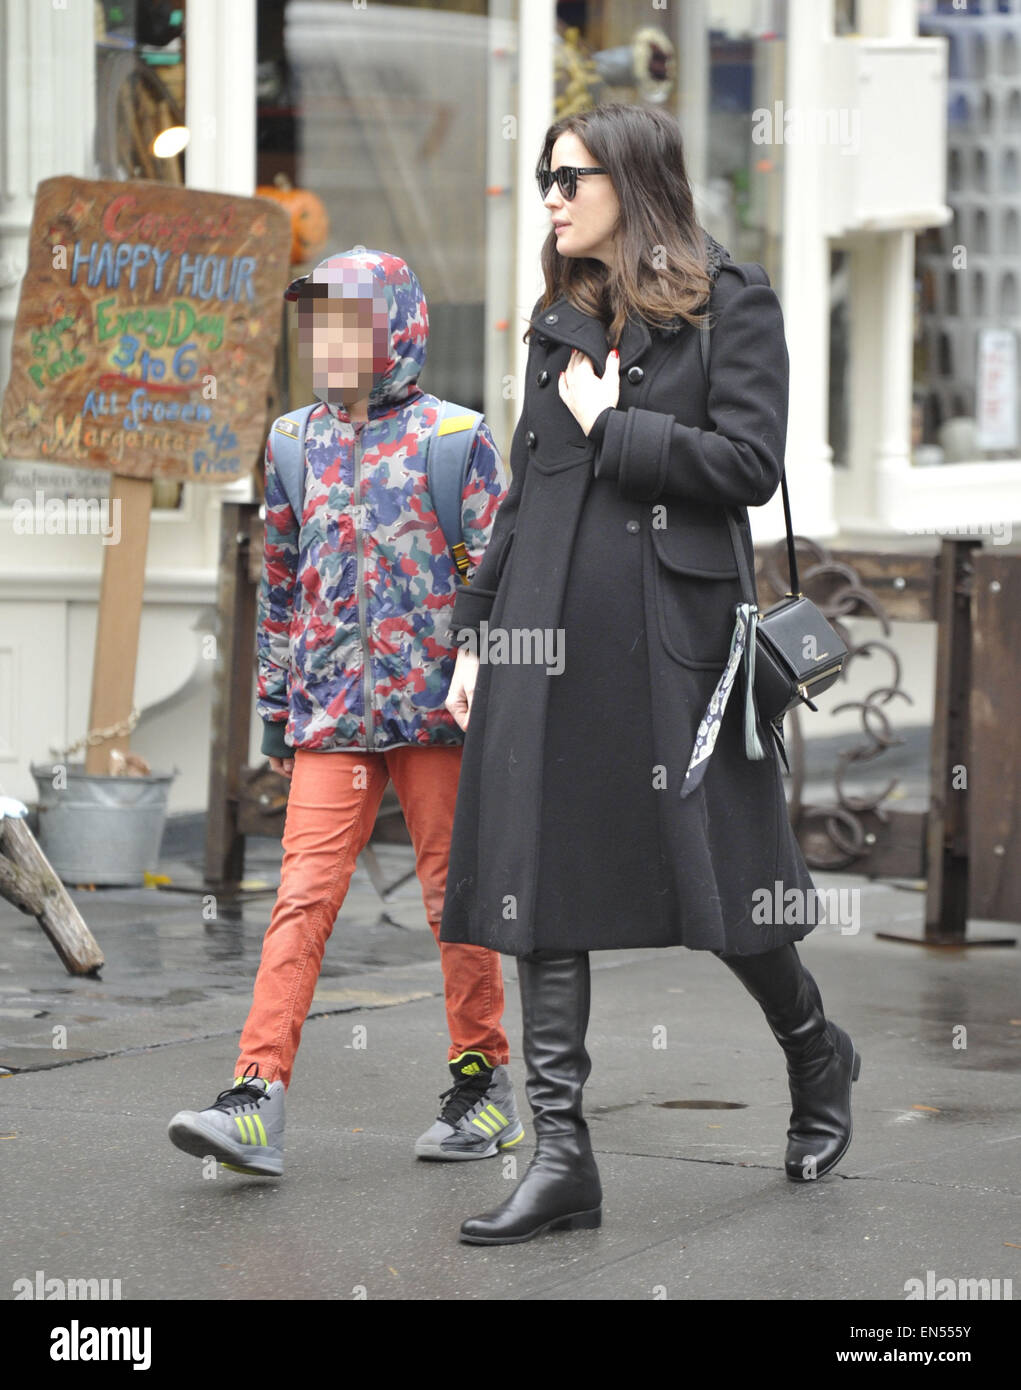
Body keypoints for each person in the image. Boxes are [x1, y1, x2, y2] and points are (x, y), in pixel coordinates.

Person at [440, 104, 861, 1244]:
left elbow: (748, 463)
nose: (551, 198)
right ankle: (561, 1157)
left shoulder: (732, 299)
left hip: (673, 648)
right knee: (534, 884)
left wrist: (618, 423)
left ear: (630, 178)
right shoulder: (560, 313)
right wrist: (475, 631)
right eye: (542, 178)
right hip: (544, 639)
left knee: (721, 886)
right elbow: (528, 488)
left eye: (568, 177)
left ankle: (816, 1053)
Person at [168, 249, 522, 1176]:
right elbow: (280, 586)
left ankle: (482, 1086)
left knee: (456, 900)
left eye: (347, 322)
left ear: (396, 328)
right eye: (316, 323)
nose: (326, 342)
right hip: (330, 717)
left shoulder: (457, 439)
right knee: (302, 896)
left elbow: (499, 580)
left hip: (442, 716)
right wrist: (279, 713)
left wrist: (490, 679)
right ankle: (255, 1095)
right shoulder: (292, 441)